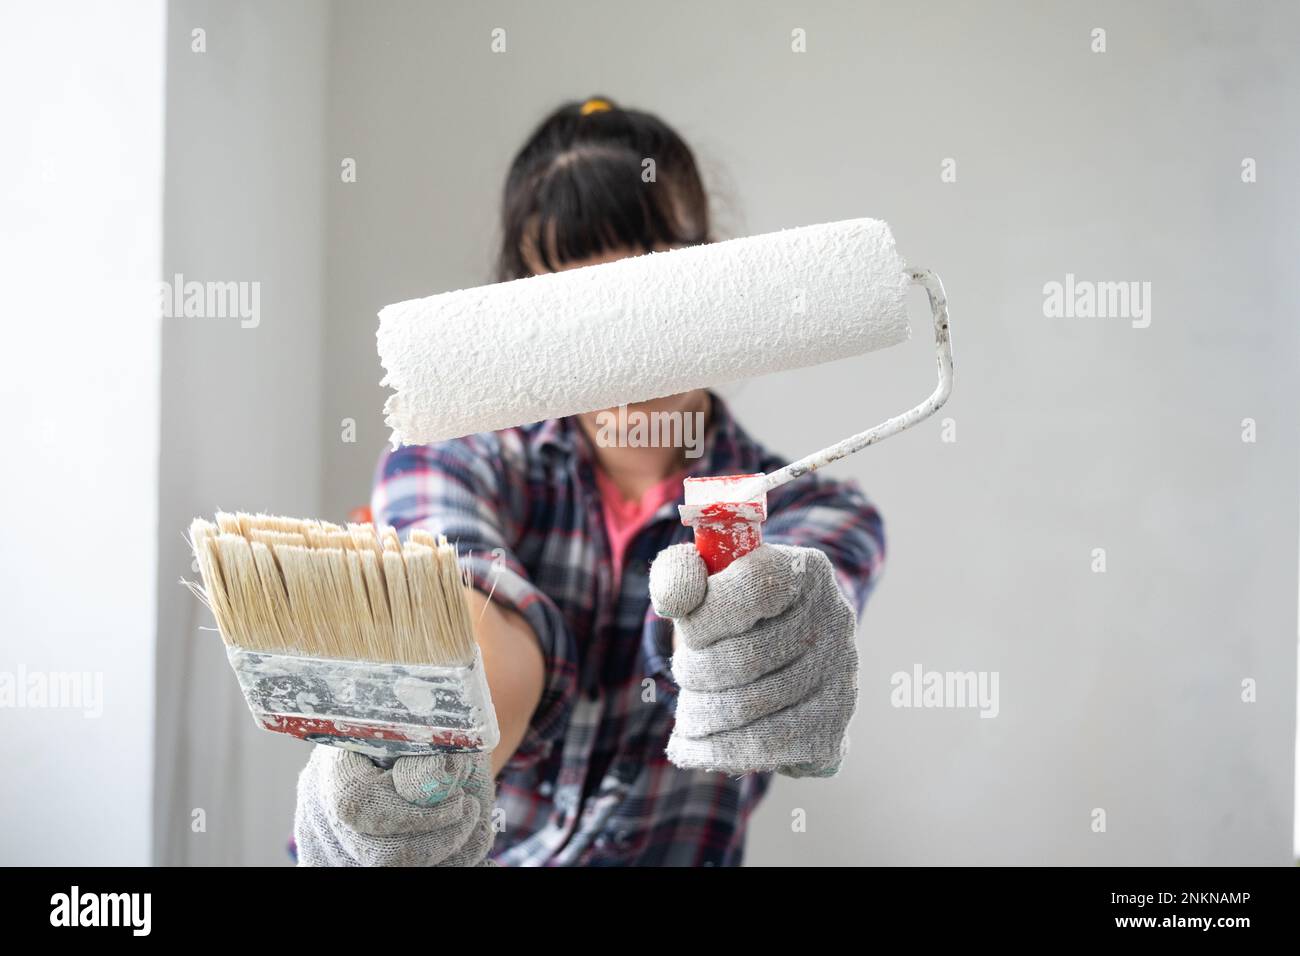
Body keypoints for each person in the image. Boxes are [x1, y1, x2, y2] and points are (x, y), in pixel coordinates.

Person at [294, 96, 886, 866]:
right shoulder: (450, 460)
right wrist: (431, 771)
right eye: (574, 309)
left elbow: (758, 620)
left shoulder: (811, 510)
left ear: (712, 280)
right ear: (521, 316)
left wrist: (762, 637)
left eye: (645, 289)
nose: (620, 351)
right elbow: (474, 625)